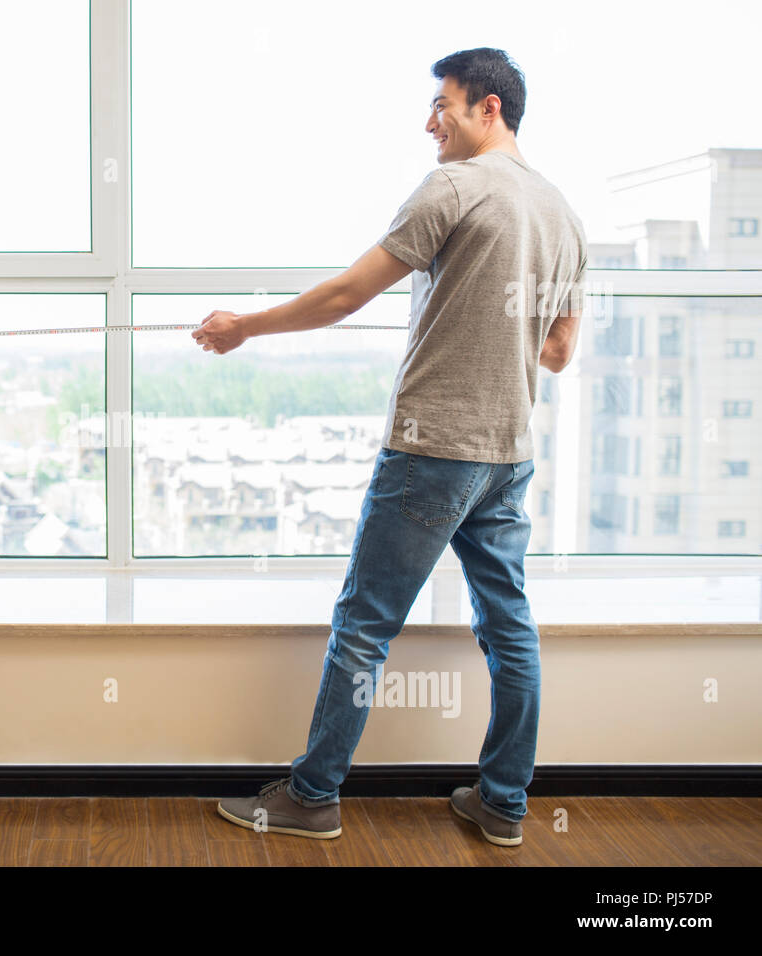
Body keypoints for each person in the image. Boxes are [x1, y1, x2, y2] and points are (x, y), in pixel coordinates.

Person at [195, 48, 587, 847]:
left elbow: (346, 294)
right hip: (507, 457)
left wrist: (243, 327)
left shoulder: (456, 187)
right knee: (509, 629)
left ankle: (313, 795)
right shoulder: (563, 215)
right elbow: (557, 352)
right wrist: (484, 314)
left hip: (434, 449)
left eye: (441, 105)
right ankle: (504, 803)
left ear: (488, 108)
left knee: (364, 624)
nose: (429, 122)